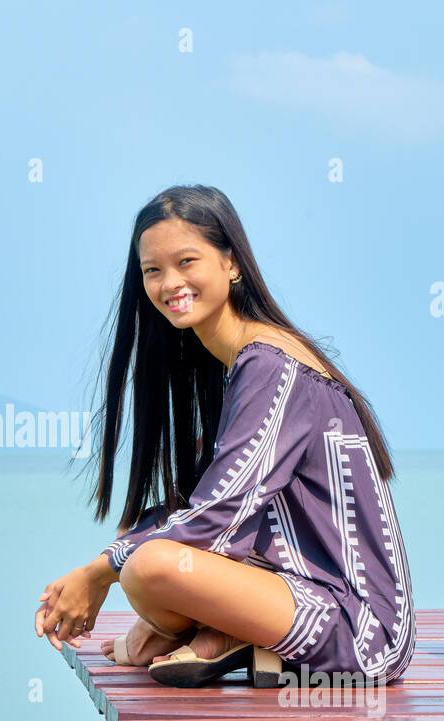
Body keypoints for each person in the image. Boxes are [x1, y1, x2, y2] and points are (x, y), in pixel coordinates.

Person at [33, 185, 415, 688]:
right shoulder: (232, 367)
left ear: (230, 262)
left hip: (360, 630)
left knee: (148, 568)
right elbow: (201, 510)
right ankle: (227, 633)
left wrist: (96, 572)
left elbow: (217, 517)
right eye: (153, 270)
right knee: (144, 550)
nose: (170, 283)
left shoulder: (271, 365)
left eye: (186, 261)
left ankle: (216, 632)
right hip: (292, 592)